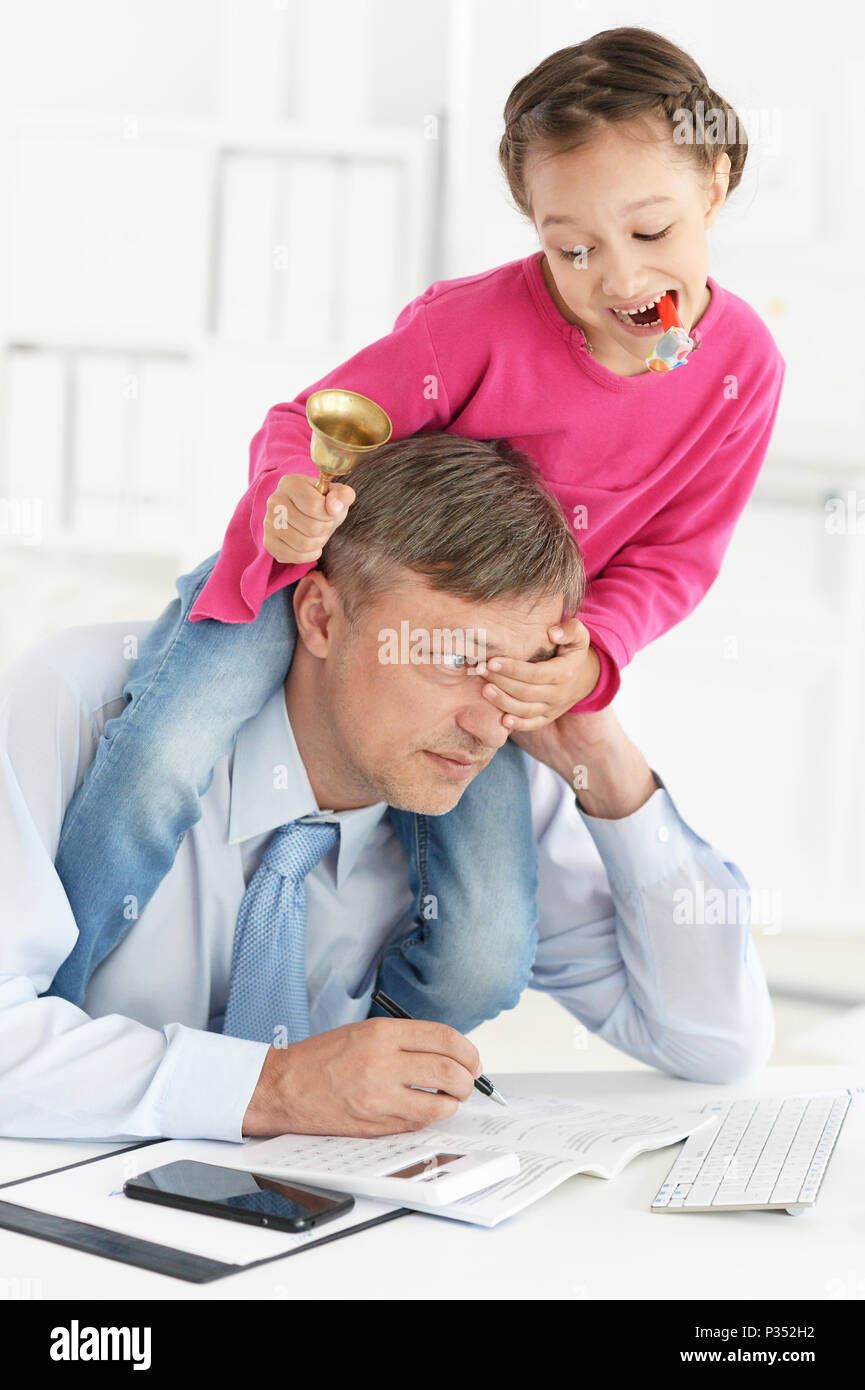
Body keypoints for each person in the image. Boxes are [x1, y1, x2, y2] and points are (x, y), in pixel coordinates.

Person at [50, 26, 785, 1033]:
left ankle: (372, 1061)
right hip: (312, 579)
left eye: (650, 231)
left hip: (490, 658)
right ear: (532, 228)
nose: (617, 279)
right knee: (162, 758)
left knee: (485, 945)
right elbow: (307, 423)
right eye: (571, 247)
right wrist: (291, 496)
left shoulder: (745, 368)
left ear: (714, 184)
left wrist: (593, 650)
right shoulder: (474, 326)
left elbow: (678, 554)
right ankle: (49, 999)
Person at [0, 437, 773, 1141]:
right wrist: (273, 1088)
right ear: (320, 618)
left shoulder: (487, 781)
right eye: (451, 658)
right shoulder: (74, 707)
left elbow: (715, 1041)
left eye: (516, 671)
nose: (485, 719)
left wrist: (603, 764)